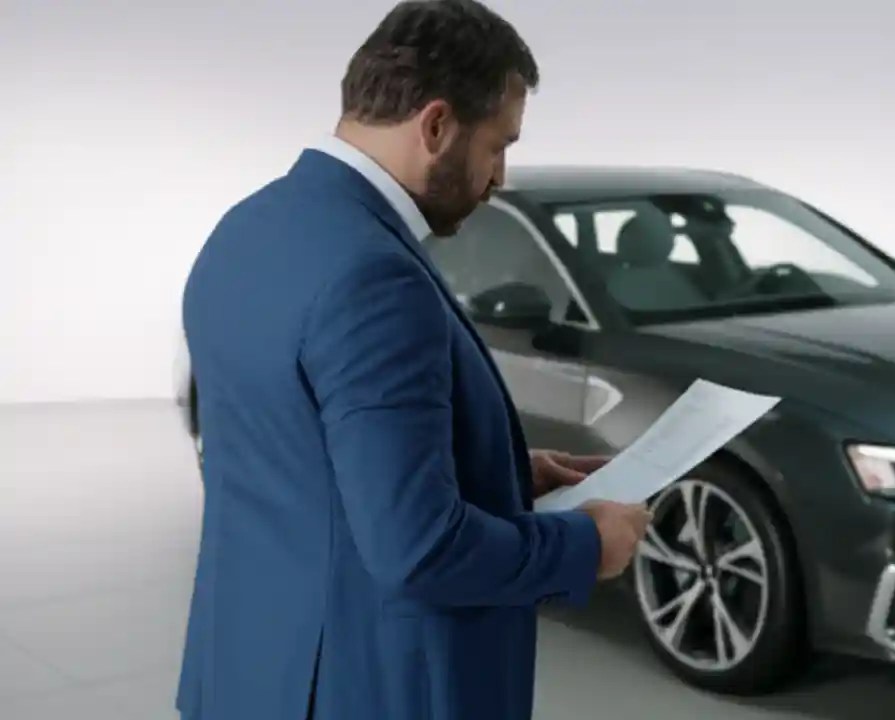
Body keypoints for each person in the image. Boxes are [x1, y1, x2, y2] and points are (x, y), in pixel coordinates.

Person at [176, 2, 653, 718]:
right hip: (360, 685)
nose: (501, 177)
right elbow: (419, 549)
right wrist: (585, 547)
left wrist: (501, 473)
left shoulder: (245, 229)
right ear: (435, 126)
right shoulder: (375, 277)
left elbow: (300, 463)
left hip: (247, 670)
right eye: (499, 144)